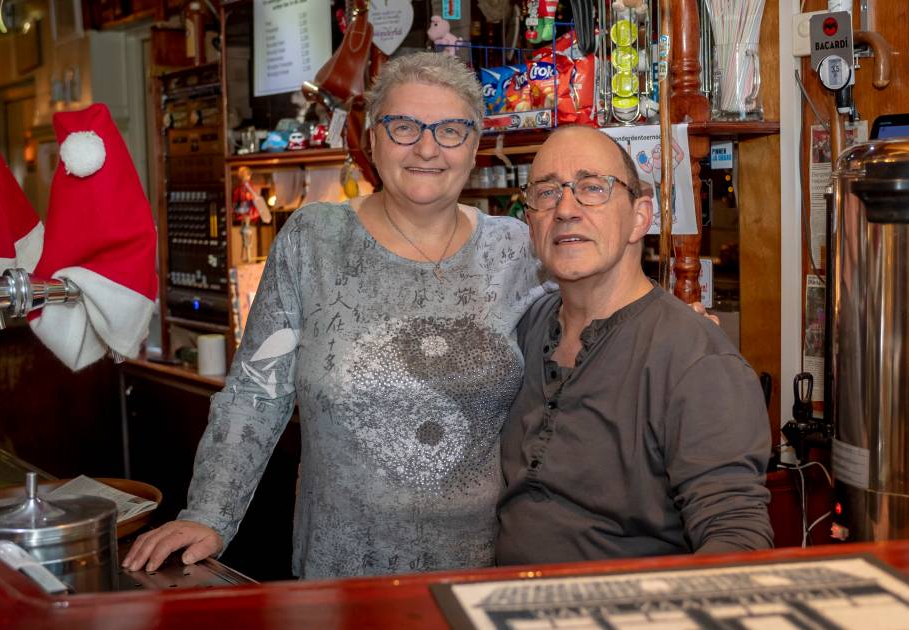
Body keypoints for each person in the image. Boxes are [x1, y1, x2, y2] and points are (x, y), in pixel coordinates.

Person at [123, 52, 548, 579]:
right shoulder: (314, 239)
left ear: (476, 146)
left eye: (451, 130)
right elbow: (256, 391)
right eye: (403, 126)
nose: (427, 147)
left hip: (482, 564)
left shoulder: (517, 251)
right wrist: (211, 512)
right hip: (341, 562)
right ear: (371, 138)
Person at [495, 126, 773, 565]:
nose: (565, 209)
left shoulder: (695, 360)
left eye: (592, 188)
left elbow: (736, 539)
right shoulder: (526, 329)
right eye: (546, 192)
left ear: (640, 217)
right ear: (529, 220)